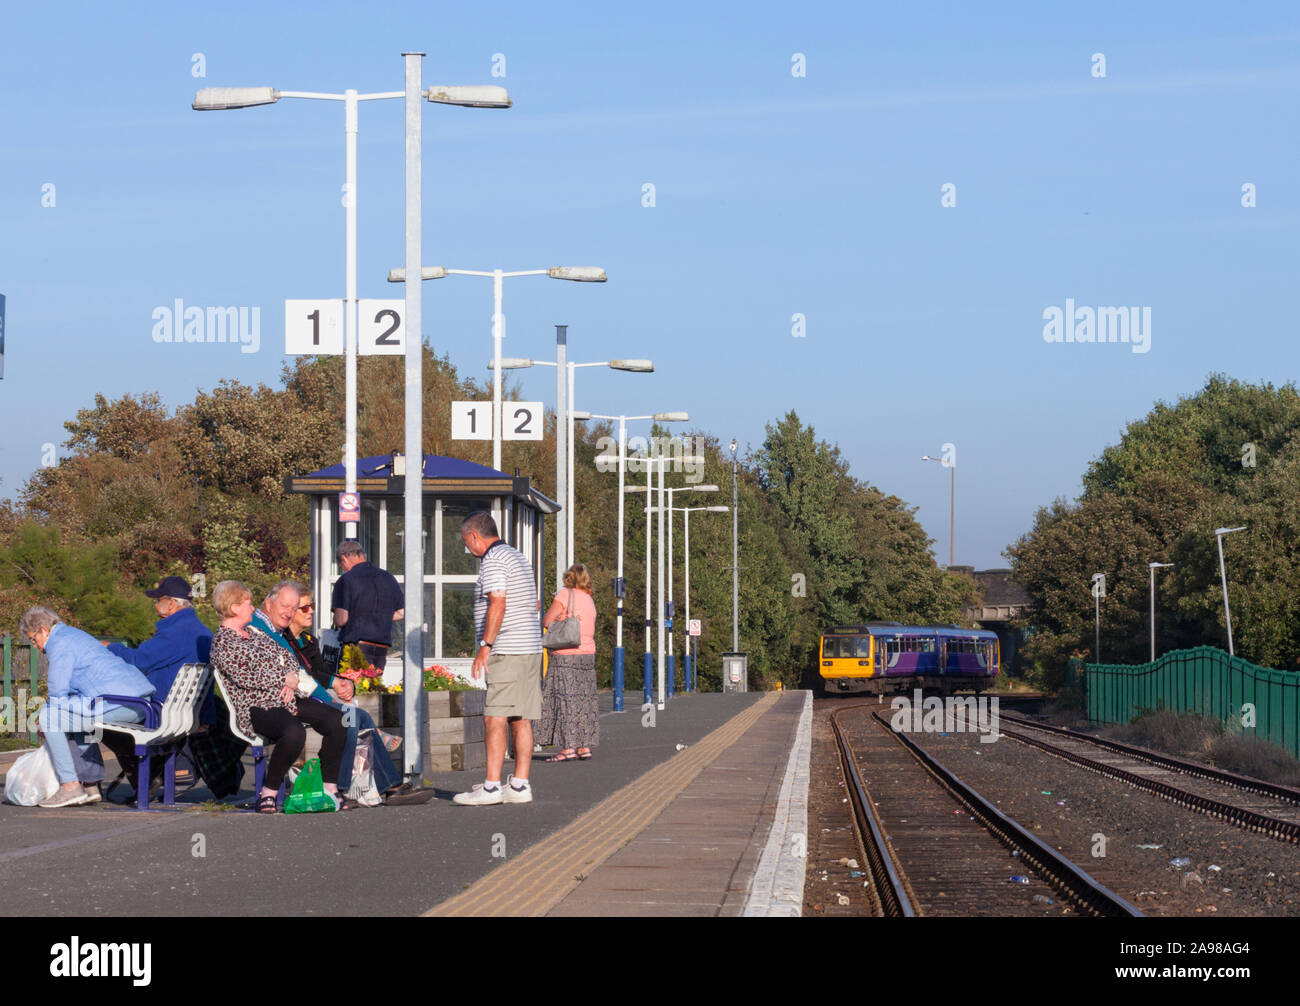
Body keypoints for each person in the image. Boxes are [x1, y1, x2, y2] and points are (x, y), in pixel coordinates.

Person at [208, 580, 348, 813]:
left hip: (286, 699)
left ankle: (328, 787)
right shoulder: (224, 641)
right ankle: (268, 792)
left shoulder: (253, 634)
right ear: (234, 608)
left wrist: (290, 675)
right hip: (256, 705)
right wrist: (284, 678)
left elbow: (287, 655)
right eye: (248, 604)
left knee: (337, 720)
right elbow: (246, 677)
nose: (253, 609)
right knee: (294, 732)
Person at [280, 584, 406, 802]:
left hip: (317, 697)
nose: (311, 611)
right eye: (305, 608)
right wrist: (333, 685)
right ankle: (342, 784)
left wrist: (345, 683)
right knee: (351, 718)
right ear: (290, 612)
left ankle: (391, 786)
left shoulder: (308, 641)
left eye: (313, 606)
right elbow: (304, 677)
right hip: (302, 699)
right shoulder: (284, 641)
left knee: (358, 715)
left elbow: (322, 671)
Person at [20, 606, 155, 809]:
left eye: (33, 639)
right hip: (136, 702)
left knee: (51, 719)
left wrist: (43, 717)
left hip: (122, 704)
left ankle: (70, 786)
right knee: (75, 717)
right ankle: (91, 787)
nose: (35, 645)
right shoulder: (73, 635)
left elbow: (57, 689)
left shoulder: (59, 643)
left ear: (43, 630)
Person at [453, 511, 541, 806]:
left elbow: (498, 601)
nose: (467, 548)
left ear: (475, 536)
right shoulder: (516, 556)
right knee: (520, 717)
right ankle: (519, 784)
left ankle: (491, 787)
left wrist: (485, 645)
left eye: (467, 541)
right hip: (529, 648)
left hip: (507, 649)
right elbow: (534, 601)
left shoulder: (493, 561)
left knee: (494, 716)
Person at [100, 576, 213, 794]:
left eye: (158, 599)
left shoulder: (175, 632)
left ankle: (148, 778)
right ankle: (151, 775)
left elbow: (138, 660)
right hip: (188, 712)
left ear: (171, 603)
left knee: (101, 722)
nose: (154, 604)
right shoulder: (200, 629)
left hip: (164, 712)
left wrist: (110, 647)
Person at [536, 563, 600, 762]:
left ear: (569, 578)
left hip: (566, 655)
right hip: (587, 655)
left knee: (565, 700)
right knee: (584, 700)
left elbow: (547, 621)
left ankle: (568, 748)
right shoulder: (589, 599)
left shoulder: (565, 595)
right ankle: (584, 746)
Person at [331, 540, 403, 672]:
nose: (343, 568)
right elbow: (401, 612)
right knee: (372, 687)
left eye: (341, 565)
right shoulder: (388, 578)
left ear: (344, 558)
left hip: (356, 646)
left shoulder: (346, 580)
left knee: (354, 687)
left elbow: (341, 620)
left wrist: (336, 619)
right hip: (382, 646)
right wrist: (380, 617)